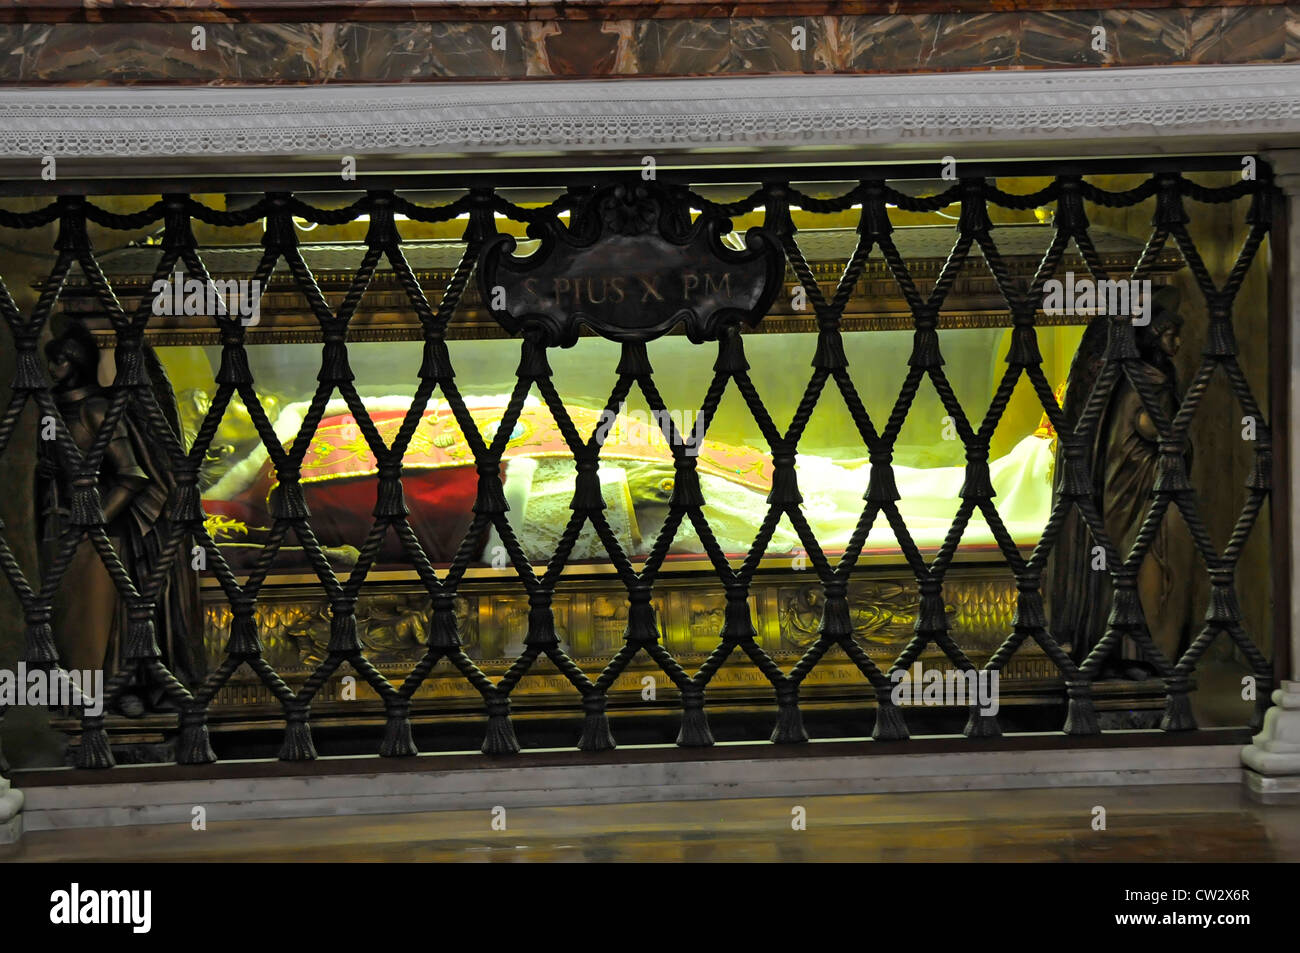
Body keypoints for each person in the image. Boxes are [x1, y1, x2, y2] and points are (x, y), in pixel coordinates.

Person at [37, 322, 201, 716]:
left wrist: (94, 520)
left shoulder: (97, 408)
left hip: (106, 533)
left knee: (111, 615)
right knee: (69, 616)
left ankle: (122, 689)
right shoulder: (51, 410)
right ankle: (75, 694)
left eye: (58, 361)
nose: (52, 369)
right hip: (62, 528)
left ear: (75, 362)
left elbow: (132, 474)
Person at [1047, 286, 1194, 679]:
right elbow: (1149, 427)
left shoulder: (1137, 375)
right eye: (1169, 335)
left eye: (1178, 335)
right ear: (1151, 337)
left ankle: (1134, 652)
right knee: (1134, 564)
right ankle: (1132, 652)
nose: (1177, 343)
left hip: (1131, 485)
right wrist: (1177, 435)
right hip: (1132, 488)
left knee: (1133, 566)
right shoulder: (1146, 379)